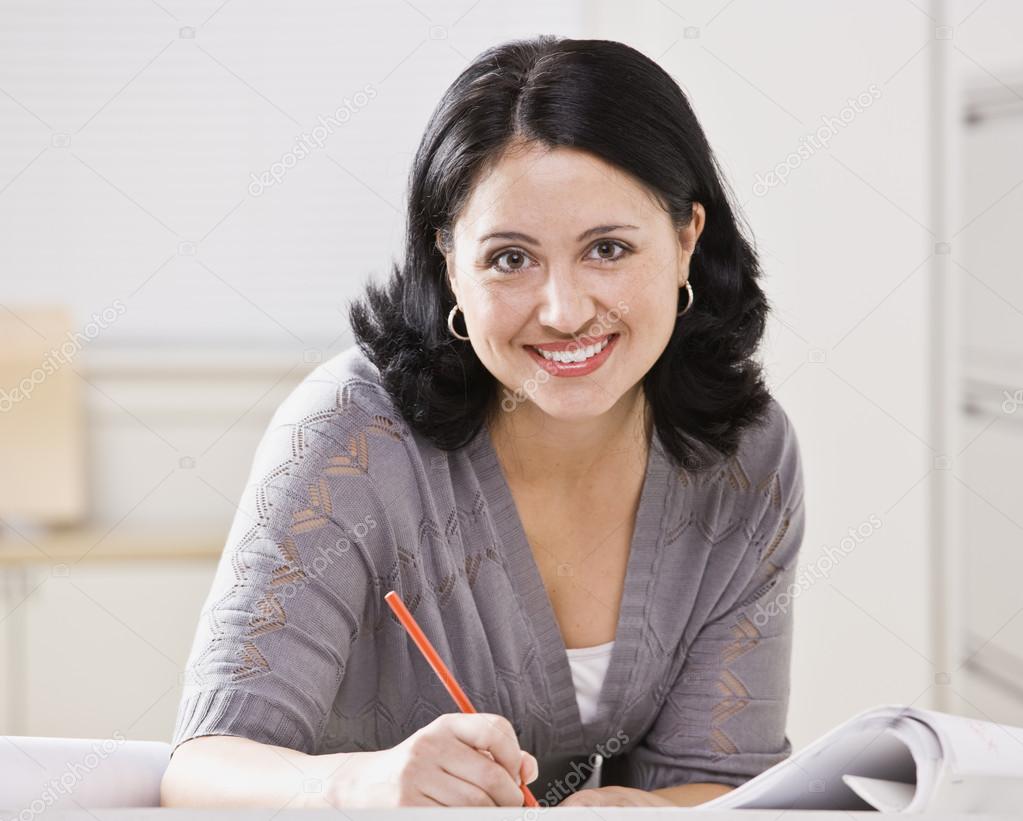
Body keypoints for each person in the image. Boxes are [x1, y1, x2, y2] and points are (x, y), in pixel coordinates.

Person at [160, 34, 806, 810]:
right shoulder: (351, 440)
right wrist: (356, 781)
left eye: (607, 248)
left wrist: (651, 809)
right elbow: (199, 771)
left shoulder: (743, 455)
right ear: (448, 263)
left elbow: (718, 779)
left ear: (684, 242)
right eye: (509, 258)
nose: (564, 312)